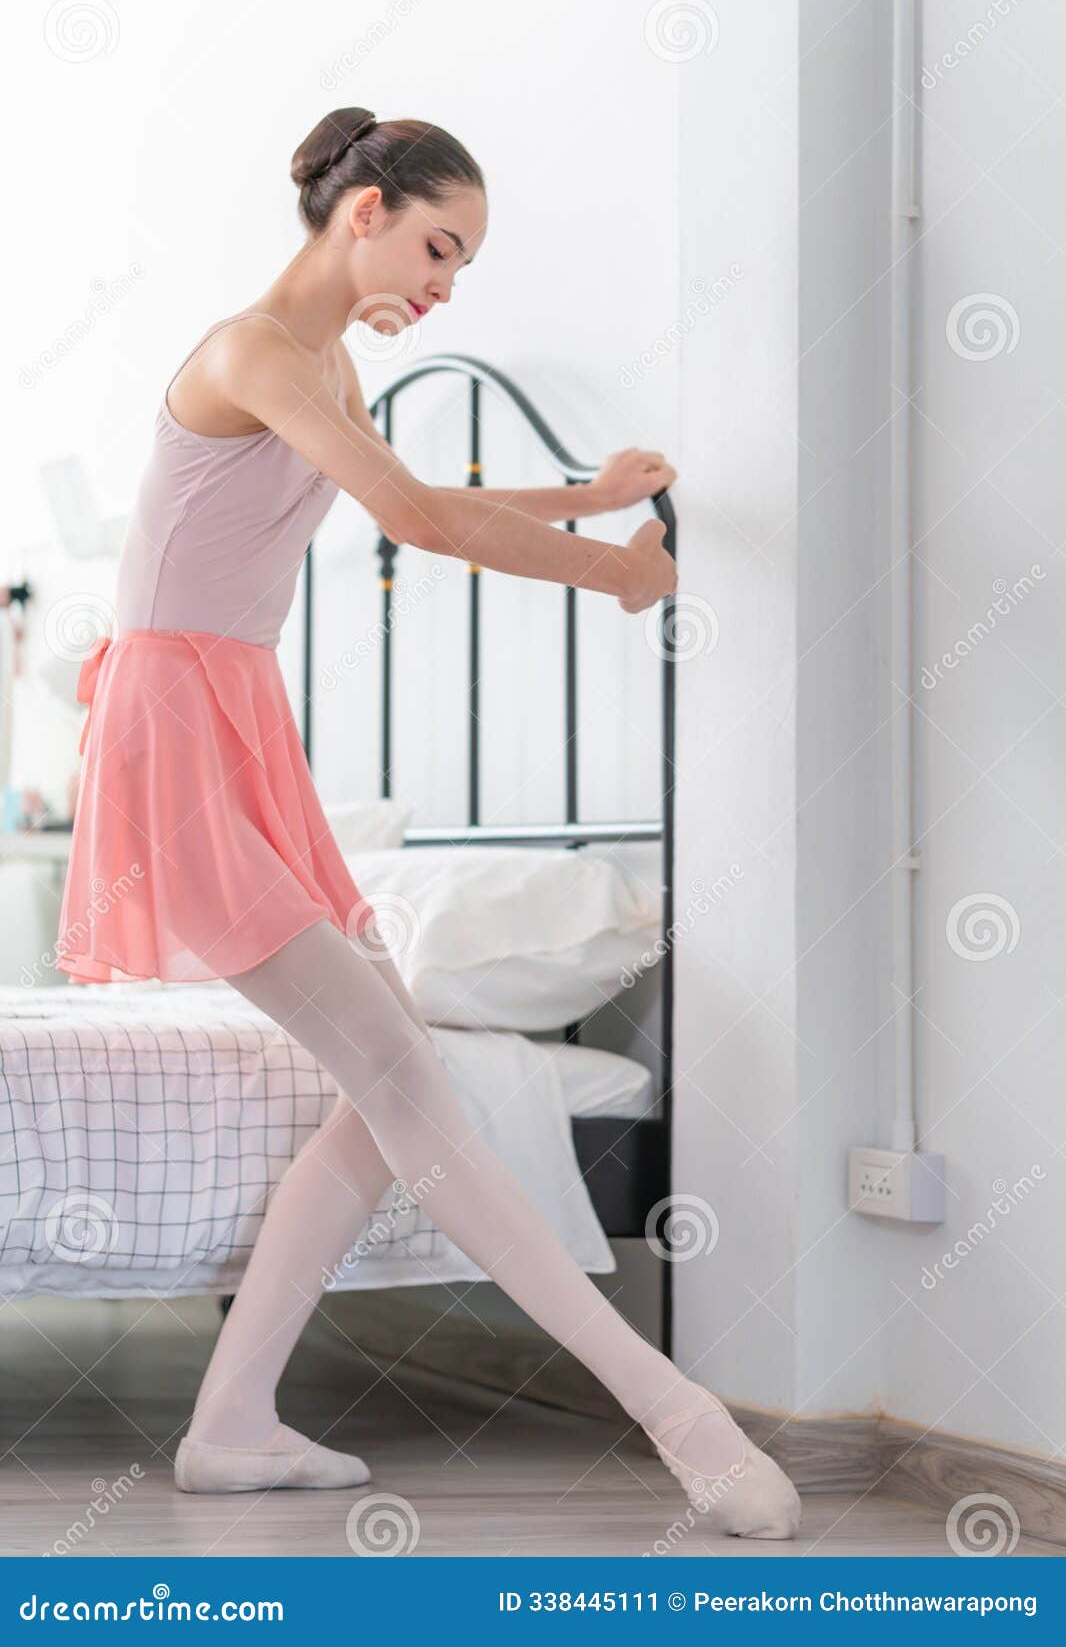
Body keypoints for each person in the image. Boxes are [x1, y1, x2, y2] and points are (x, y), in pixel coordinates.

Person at [55, 106, 800, 1536]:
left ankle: (229, 1424)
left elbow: (413, 500)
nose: (444, 284)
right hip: (176, 725)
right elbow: (421, 519)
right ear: (364, 211)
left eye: (461, 266)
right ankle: (674, 1408)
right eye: (438, 246)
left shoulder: (319, 364)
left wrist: (590, 497)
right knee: (405, 1075)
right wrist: (615, 574)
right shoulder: (253, 349)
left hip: (230, 716)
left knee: (382, 1076)